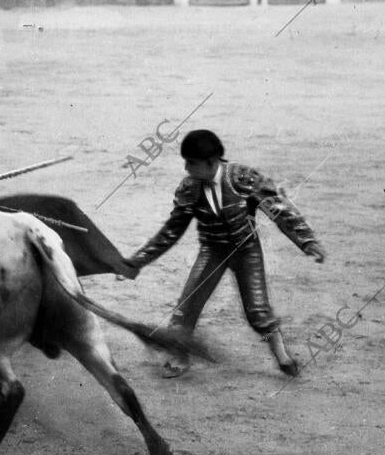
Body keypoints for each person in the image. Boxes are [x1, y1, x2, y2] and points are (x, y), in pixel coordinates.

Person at [126, 130, 325, 378]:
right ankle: (179, 354)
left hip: (246, 250)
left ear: (212, 162)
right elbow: (171, 231)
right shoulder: (189, 188)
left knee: (257, 311)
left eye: (191, 163)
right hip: (212, 250)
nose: (187, 168)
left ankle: (282, 355)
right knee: (187, 306)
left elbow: (278, 209)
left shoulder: (243, 178)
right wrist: (138, 260)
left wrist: (306, 241)